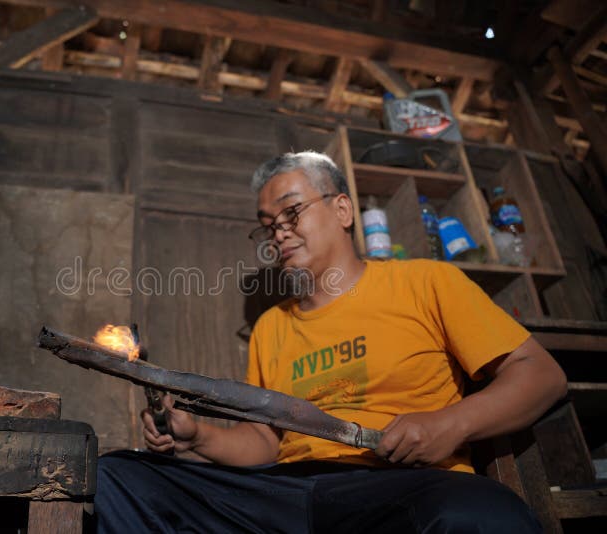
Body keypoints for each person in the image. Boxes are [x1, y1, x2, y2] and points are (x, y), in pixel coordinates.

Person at [92, 151, 567, 533]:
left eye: (291, 212)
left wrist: (450, 424)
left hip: (399, 485)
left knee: (482, 516)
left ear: (342, 209)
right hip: (284, 492)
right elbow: (266, 440)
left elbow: (541, 376)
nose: (278, 233)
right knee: (121, 477)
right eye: (268, 224)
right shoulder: (271, 327)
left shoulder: (427, 282)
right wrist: (197, 436)